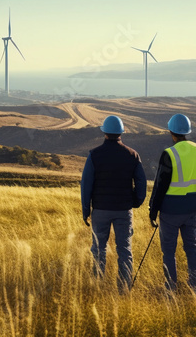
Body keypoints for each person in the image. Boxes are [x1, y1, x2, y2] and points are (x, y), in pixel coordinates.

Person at [80, 115, 147, 292]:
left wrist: (86, 210)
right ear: (121, 133)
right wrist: (135, 202)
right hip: (124, 210)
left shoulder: (94, 155)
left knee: (98, 249)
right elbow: (141, 183)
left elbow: (86, 185)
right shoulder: (132, 155)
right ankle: (124, 289)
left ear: (104, 133)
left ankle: (97, 286)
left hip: (100, 209)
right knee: (125, 250)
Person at [149, 113, 196, 295]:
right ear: (188, 131)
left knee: (169, 252)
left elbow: (160, 185)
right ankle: (195, 288)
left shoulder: (170, 154)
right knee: (192, 249)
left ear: (171, 132)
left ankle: (171, 290)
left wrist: (153, 211)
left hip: (171, 211)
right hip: (193, 209)